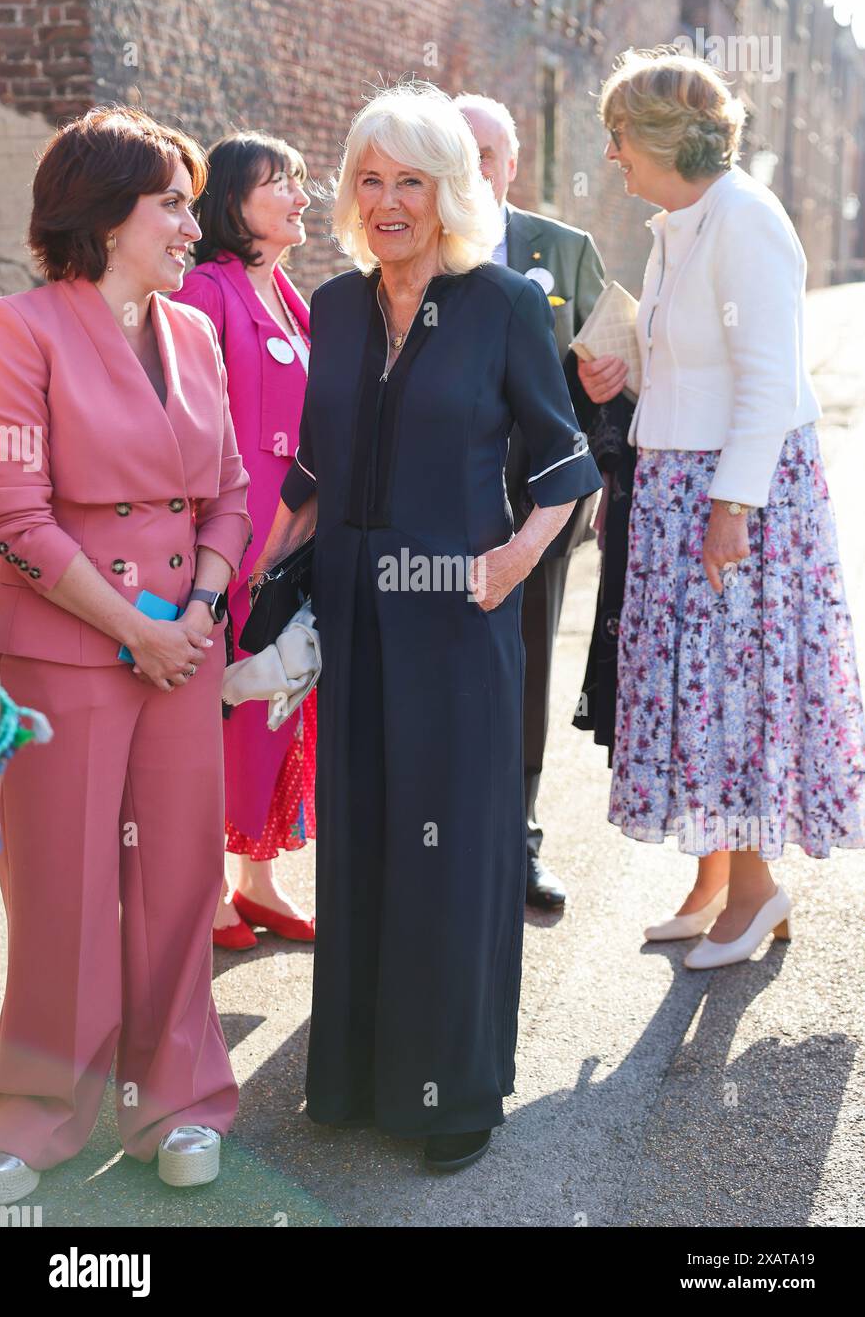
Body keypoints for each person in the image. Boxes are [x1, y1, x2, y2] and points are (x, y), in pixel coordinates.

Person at [252, 81, 601, 1171]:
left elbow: (563, 467)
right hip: (356, 619)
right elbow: (310, 472)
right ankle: (356, 1073)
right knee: (362, 834)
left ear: (449, 190)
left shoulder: (499, 302)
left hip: (459, 618)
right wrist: (248, 585)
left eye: (411, 179)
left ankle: (450, 1094)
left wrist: (508, 563)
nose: (389, 199)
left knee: (448, 851)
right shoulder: (338, 306)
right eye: (370, 179)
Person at [0, 106, 252, 1204]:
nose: (194, 227)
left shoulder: (194, 331)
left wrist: (192, 609)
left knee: (178, 877)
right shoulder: (22, 330)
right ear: (105, 216)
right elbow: (15, 515)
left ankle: (180, 1101)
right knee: (60, 887)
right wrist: (137, 628)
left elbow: (234, 492)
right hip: (65, 651)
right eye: (175, 205)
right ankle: (36, 1113)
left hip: (182, 652)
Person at [581, 48, 865, 968]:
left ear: (664, 139)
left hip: (736, 493)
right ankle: (713, 882)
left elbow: (768, 378)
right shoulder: (683, 221)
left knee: (734, 690)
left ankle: (754, 891)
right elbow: (695, 360)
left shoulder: (745, 220)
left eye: (621, 139)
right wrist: (627, 368)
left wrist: (731, 506)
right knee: (699, 685)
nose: (614, 156)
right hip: (680, 484)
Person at [455, 93, 605, 909]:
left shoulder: (565, 251)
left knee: (527, 664)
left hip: (539, 504)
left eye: (489, 152)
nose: (476, 166)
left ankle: (519, 838)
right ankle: (439, 838)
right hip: (437, 501)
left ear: (514, 163)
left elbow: (609, 372)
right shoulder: (414, 249)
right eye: (460, 149)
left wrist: (610, 389)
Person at [172, 131, 317, 950]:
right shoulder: (205, 290)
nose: (300, 197)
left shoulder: (293, 296)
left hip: (295, 542)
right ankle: (204, 891)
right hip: (232, 543)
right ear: (233, 202)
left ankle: (256, 877)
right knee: (223, 707)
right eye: (280, 185)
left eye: (299, 182)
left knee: (279, 701)